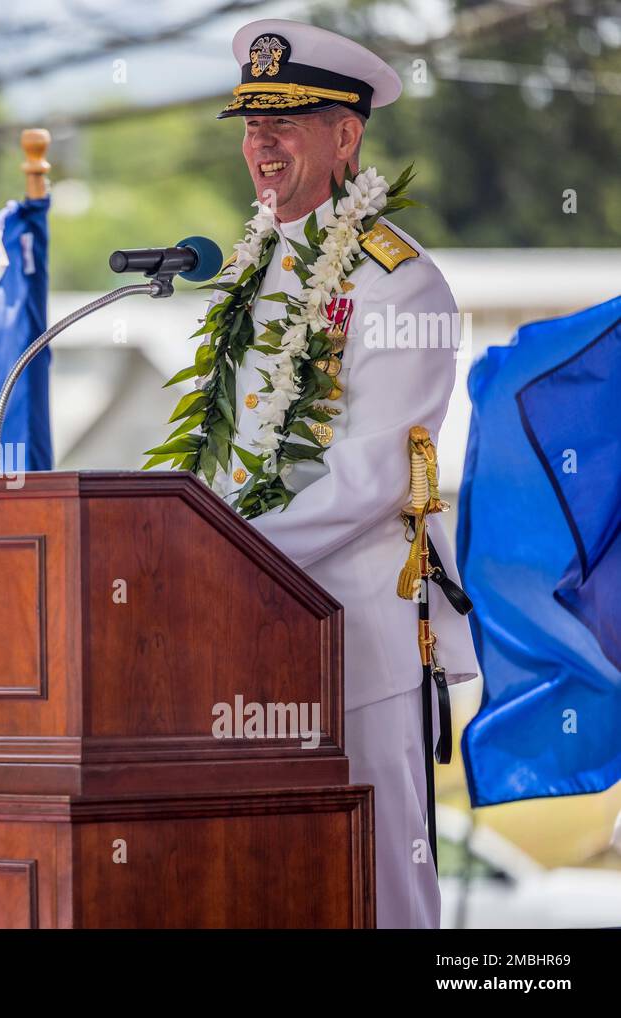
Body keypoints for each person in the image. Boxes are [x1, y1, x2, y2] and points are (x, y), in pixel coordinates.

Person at [182, 18, 479, 927]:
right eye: (251, 123)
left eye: (288, 122)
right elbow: (235, 451)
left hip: (356, 637)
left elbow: (379, 471)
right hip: (249, 633)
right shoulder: (252, 265)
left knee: (380, 885)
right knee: (269, 885)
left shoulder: (401, 283)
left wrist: (225, 549)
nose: (261, 144)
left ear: (346, 137)